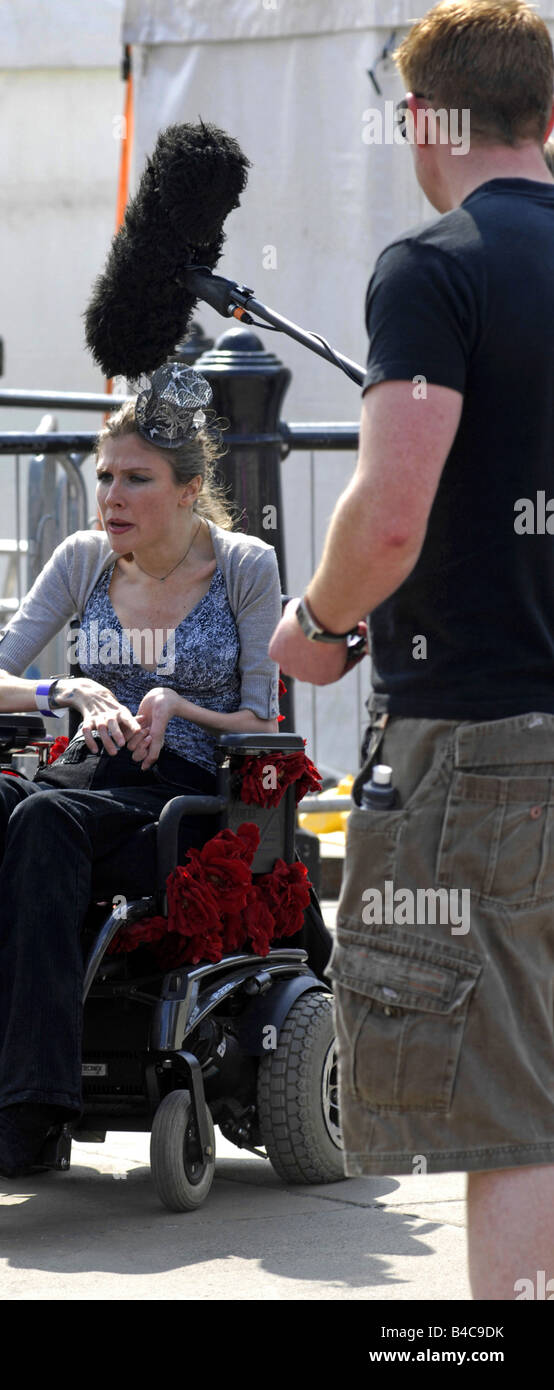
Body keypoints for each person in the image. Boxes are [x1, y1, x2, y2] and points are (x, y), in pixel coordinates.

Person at [269, 0, 554, 1300]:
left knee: (510, 1102)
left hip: (487, 741)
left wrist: (319, 625)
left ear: (422, 122)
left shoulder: (432, 265)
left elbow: (388, 515)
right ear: (545, 118)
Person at [0, 363, 283, 1177]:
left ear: (190, 489)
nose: (111, 497)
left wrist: (174, 703)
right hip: (85, 778)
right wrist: (67, 687)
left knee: (44, 820)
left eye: (137, 479)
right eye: (105, 476)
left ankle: (35, 1103)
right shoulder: (85, 558)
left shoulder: (242, 568)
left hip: (180, 801)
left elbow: (263, 721)